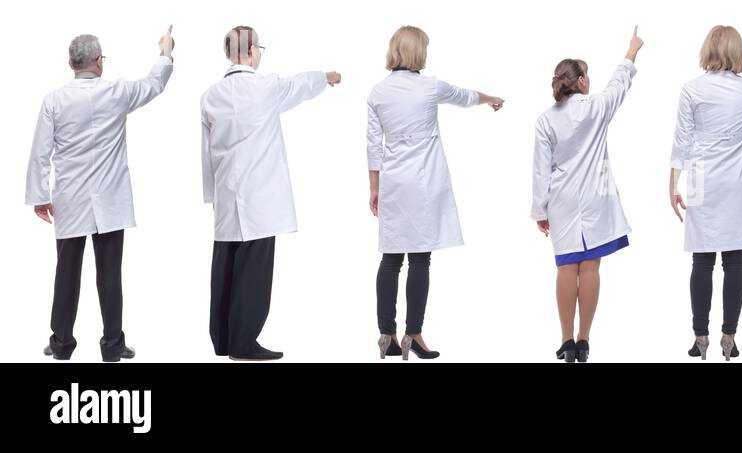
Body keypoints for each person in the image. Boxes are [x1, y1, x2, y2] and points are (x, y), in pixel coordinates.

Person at [25, 27, 175, 362]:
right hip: (110, 201)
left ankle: (61, 343)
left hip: (70, 201)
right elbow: (155, 83)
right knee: (110, 276)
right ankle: (112, 345)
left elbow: (40, 152)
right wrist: (165, 51)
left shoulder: (54, 100)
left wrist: (39, 194)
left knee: (66, 274)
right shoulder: (117, 93)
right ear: (98, 61)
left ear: (70, 64)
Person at [201, 25, 341, 361]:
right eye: (259, 48)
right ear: (250, 52)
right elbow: (301, 84)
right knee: (253, 272)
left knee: (225, 267)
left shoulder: (210, 96)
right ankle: (244, 343)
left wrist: (212, 196)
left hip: (227, 196)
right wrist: (328, 76)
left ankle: (223, 340)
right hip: (260, 199)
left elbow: (205, 152)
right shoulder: (266, 87)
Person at [366, 25, 504, 360]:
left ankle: (386, 334)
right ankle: (414, 333)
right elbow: (466, 96)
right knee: (420, 259)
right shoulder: (430, 88)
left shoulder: (377, 92)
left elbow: (373, 145)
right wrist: (491, 100)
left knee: (390, 259)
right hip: (424, 184)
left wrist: (374, 188)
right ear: (418, 52)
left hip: (394, 184)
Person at [532, 27, 643, 363]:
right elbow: (619, 84)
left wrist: (540, 208)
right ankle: (583, 340)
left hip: (562, 199)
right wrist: (631, 51)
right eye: (587, 76)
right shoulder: (597, 107)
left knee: (566, 267)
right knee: (590, 268)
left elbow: (541, 168)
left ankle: (566, 340)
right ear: (580, 81)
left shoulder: (545, 120)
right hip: (596, 197)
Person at [668, 25, 742, 361]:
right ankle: (729, 338)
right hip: (736, 180)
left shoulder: (691, 89)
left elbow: (681, 139)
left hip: (700, 178)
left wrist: (672, 184)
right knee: (734, 261)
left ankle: (700, 338)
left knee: (701, 260)